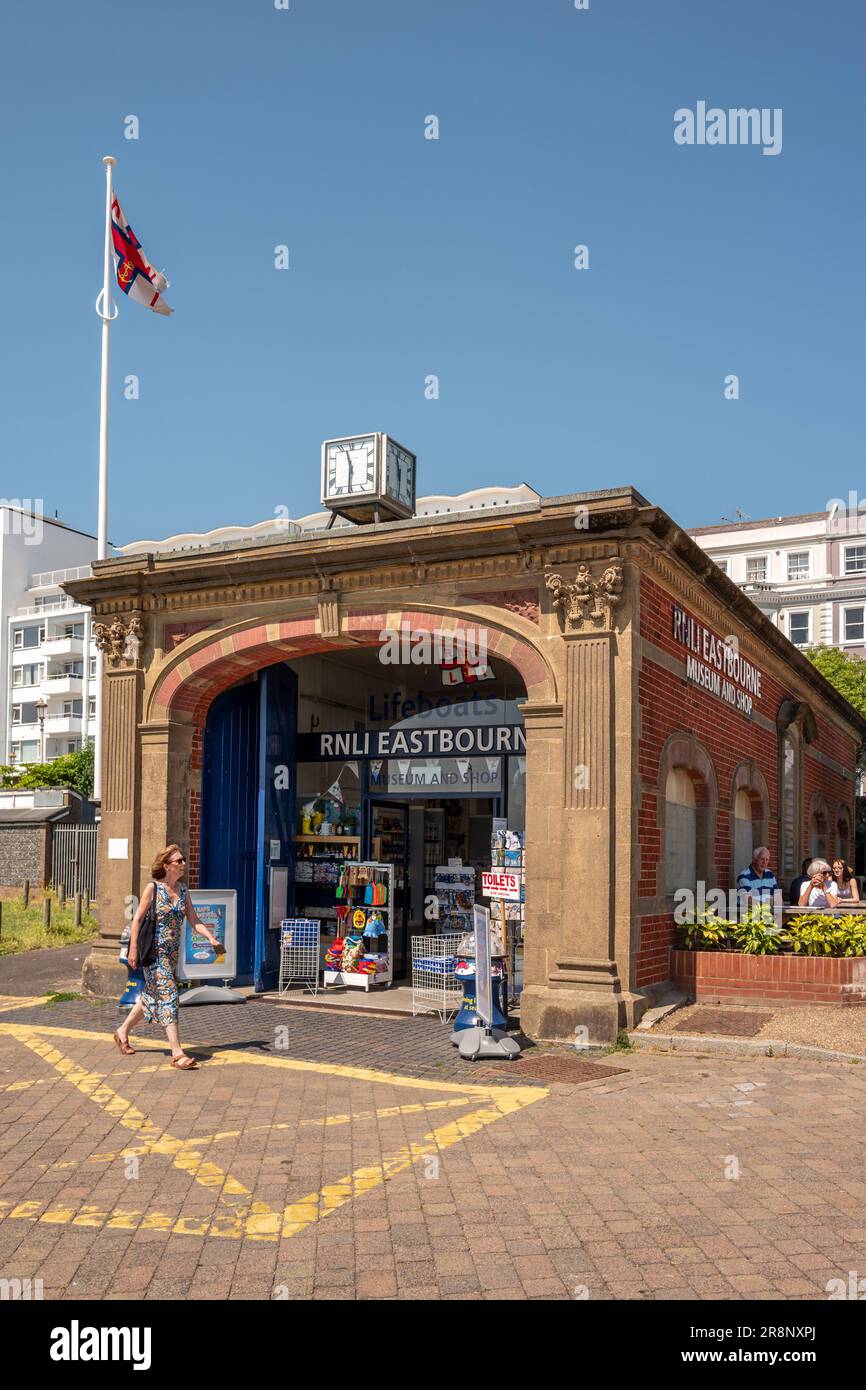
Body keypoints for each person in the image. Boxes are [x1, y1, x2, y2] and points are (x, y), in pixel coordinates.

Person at [114, 844, 222, 1070]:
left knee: (151, 996)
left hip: (172, 955)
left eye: (183, 860)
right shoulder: (152, 889)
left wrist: (211, 938)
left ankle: (122, 1031)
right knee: (170, 995)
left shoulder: (183, 890)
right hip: (154, 953)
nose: (183, 864)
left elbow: (194, 920)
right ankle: (177, 1053)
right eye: (179, 861)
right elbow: (137, 920)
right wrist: (133, 948)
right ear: (166, 866)